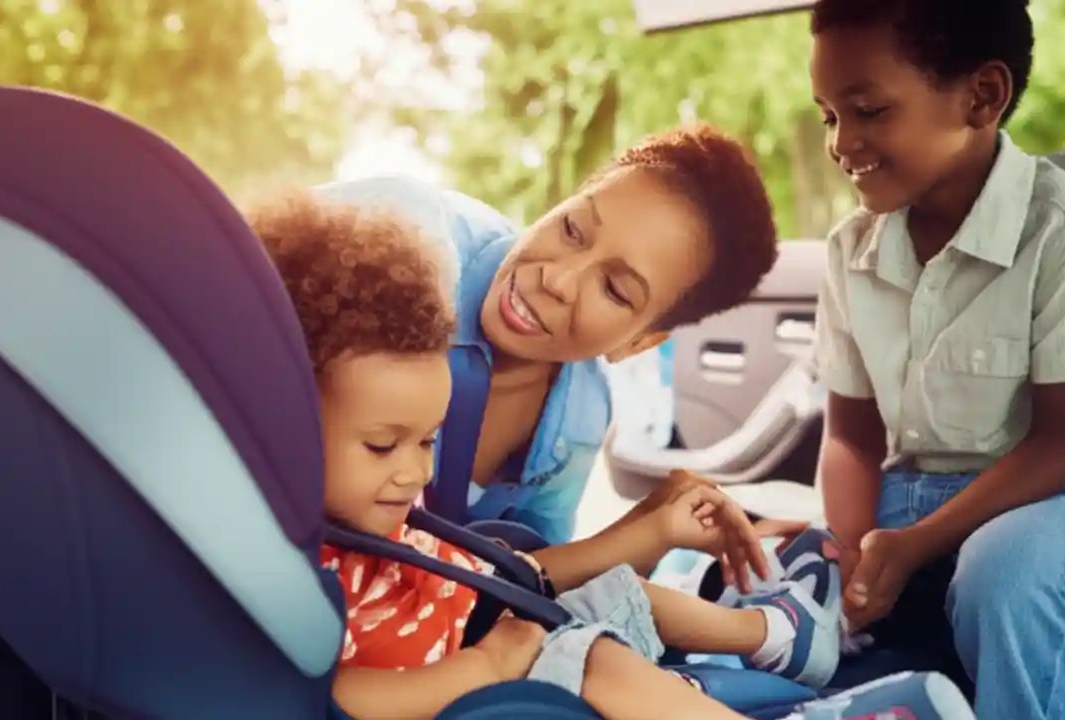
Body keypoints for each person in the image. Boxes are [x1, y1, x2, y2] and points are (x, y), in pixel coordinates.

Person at [245, 190, 976, 720]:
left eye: (429, 442)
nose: (422, 473)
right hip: (456, 681)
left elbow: (516, 572)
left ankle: (781, 659)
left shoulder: (393, 527)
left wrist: (647, 536)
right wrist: (486, 665)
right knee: (583, 657)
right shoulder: (298, 569)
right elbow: (326, 694)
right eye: (384, 446)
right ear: (281, 419)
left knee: (590, 626)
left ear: (639, 343)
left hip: (475, 634)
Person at [754, 1, 1065, 718]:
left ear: (981, 97)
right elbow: (851, 436)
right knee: (777, 569)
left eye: (867, 110)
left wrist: (911, 548)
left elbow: (1062, 444)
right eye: (828, 116)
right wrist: (849, 553)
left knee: (1005, 577)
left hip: (1049, 492)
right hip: (908, 490)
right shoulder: (851, 248)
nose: (842, 143)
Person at [316, 124, 782, 593]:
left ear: (638, 343)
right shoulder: (399, 234)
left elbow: (515, 581)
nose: (557, 280)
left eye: (615, 290)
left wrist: (649, 526)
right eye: (573, 229)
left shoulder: (577, 419)